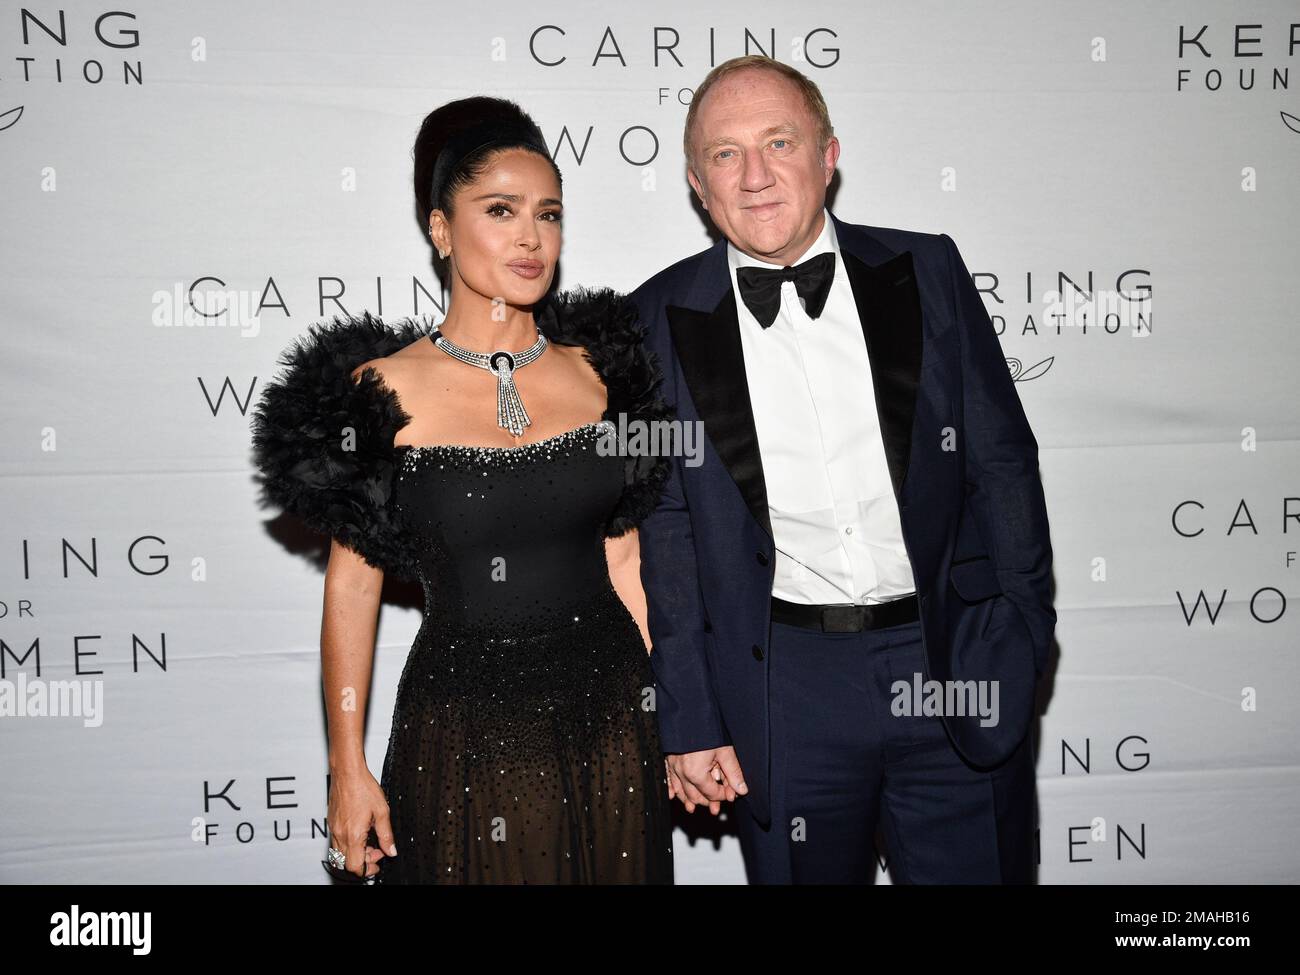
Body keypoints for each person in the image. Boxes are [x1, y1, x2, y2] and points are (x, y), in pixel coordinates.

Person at [631, 56, 1056, 883]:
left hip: (949, 660)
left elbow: (1003, 461)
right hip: (784, 685)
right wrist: (687, 716)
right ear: (695, 182)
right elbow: (667, 532)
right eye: (725, 154)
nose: (754, 176)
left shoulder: (927, 269)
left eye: (779, 142)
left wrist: (1022, 628)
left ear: (828, 155)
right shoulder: (655, 317)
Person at [249, 96, 675, 884]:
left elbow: (625, 562)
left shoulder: (599, 370)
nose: (530, 236)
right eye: (500, 210)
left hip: (611, 715)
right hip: (467, 725)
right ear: (441, 229)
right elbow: (352, 587)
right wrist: (346, 768)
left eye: (548, 214)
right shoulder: (381, 389)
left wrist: (667, 720)